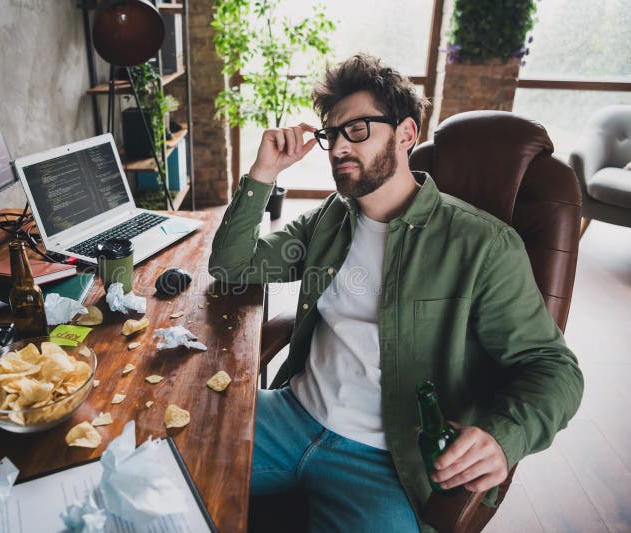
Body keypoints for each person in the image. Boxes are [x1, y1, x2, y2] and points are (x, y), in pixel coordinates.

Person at [208, 54, 583, 532]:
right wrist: (263, 174)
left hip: (384, 463)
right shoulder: (330, 219)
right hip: (290, 418)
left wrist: (502, 437)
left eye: (358, 130)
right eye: (332, 134)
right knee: (155, 472)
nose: (339, 147)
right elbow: (230, 266)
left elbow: (553, 368)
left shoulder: (481, 245)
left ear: (406, 134)